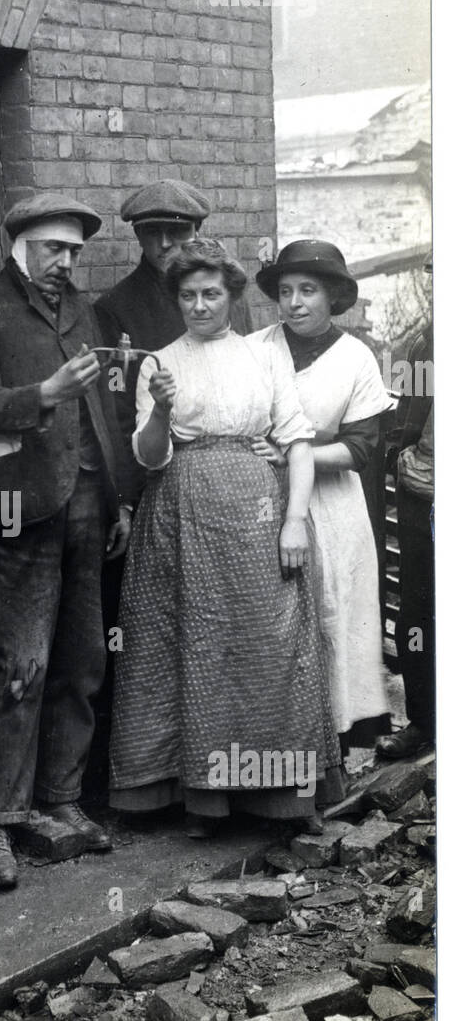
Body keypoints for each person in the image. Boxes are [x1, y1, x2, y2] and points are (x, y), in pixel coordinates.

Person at [108, 238, 341, 838]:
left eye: (212, 293)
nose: (200, 305)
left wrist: (293, 520)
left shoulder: (265, 357)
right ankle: (202, 802)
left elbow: (297, 442)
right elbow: (149, 459)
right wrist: (159, 411)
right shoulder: (159, 363)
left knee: (271, 644)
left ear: (233, 296)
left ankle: (283, 800)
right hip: (180, 520)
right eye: (188, 295)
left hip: (259, 516)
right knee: (188, 649)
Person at [0, 193, 134, 887]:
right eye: (54, 248)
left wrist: (117, 500)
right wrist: (45, 391)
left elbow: (106, 411)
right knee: (21, 664)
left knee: (82, 658)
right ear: (20, 244)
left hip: (86, 500)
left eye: (74, 251)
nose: (66, 261)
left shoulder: (81, 308)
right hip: (22, 506)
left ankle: (62, 801)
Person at [253, 241, 396, 754]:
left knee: (334, 609)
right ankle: (280, 733)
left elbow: (359, 449)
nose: (294, 303)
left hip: (332, 506)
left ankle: (336, 734)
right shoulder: (256, 348)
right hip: (264, 501)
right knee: (273, 614)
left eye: (308, 291)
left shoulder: (356, 357)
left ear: (332, 296)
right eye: (286, 291)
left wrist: (291, 454)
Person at [376, 265, 434, 758]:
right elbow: (400, 418)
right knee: (417, 612)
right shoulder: (421, 345)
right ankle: (424, 722)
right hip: (425, 495)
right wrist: (402, 456)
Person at [94, 178, 251, 353]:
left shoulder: (229, 293)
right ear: (139, 235)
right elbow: (114, 378)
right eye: (153, 232)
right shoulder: (115, 308)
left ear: (196, 230)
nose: (165, 243)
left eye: (177, 230)